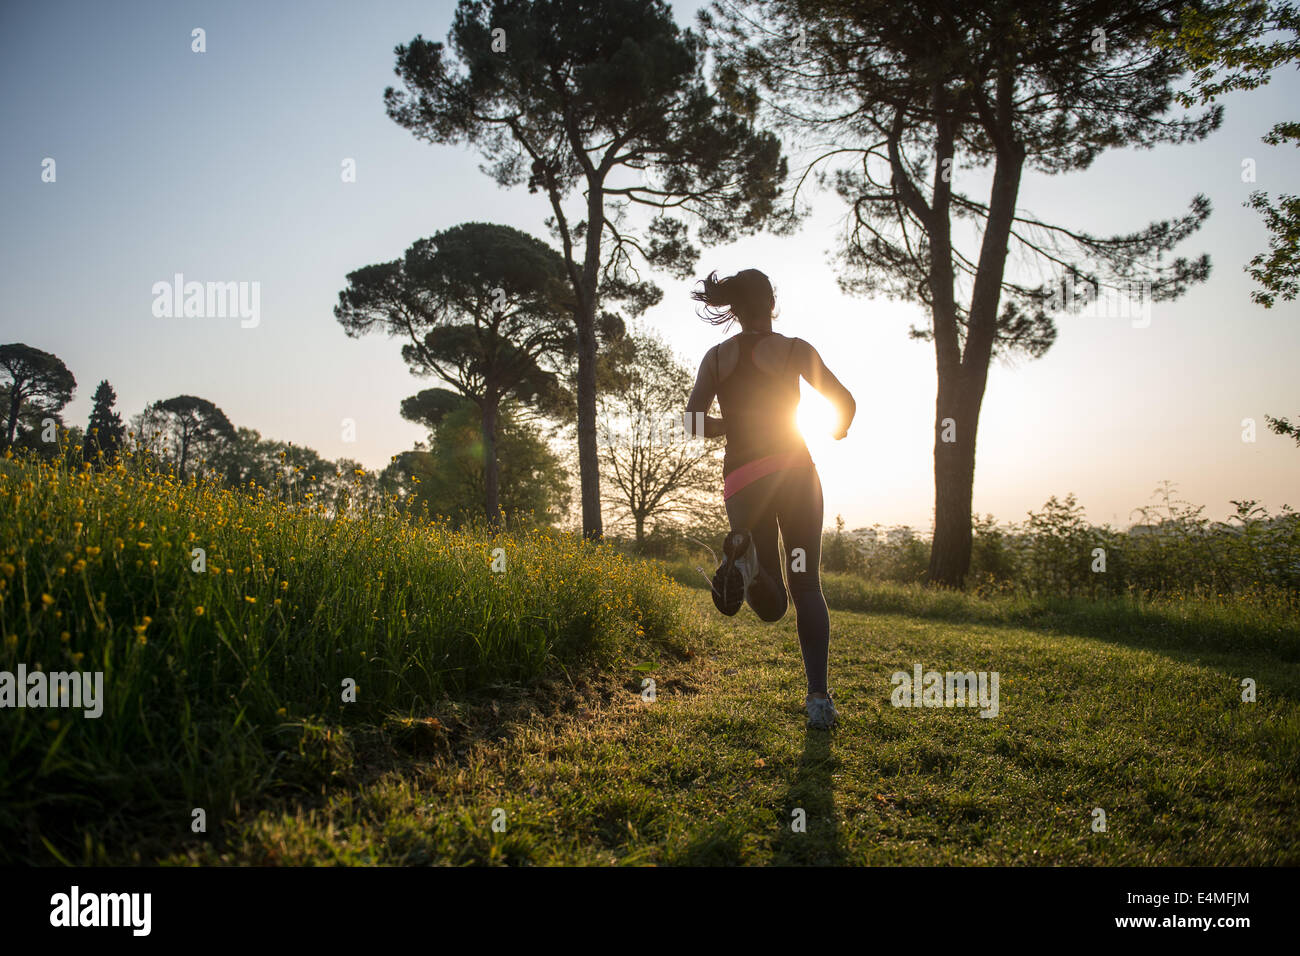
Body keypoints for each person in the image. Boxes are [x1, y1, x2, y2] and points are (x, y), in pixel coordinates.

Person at [684, 269, 856, 730]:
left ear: (734, 310)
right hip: (795, 474)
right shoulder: (796, 350)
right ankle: (818, 699)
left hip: (744, 482)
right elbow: (844, 400)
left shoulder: (716, 358)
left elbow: (694, 423)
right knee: (804, 587)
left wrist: (733, 428)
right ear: (771, 303)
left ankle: (745, 562)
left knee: (771, 604)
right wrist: (838, 427)